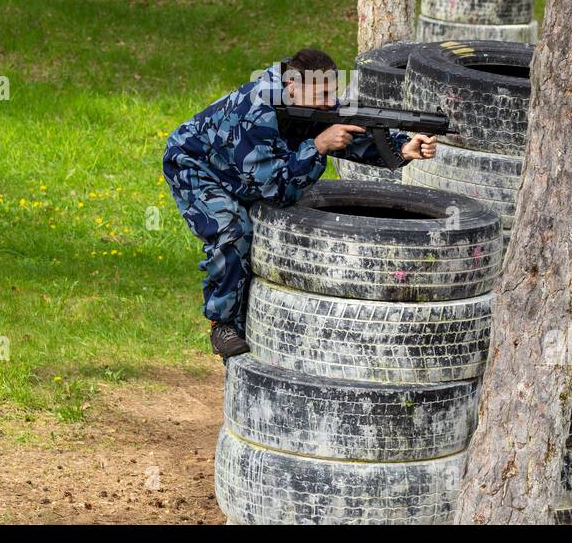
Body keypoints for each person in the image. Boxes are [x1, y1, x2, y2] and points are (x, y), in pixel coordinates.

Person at [162, 48, 438, 358]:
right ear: (292, 86)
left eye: (331, 92)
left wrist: (403, 146)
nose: (328, 101)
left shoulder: (306, 100)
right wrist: (318, 146)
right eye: (321, 94)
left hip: (240, 169)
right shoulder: (257, 112)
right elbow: (274, 189)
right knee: (233, 229)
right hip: (196, 165)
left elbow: (345, 129)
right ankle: (222, 323)